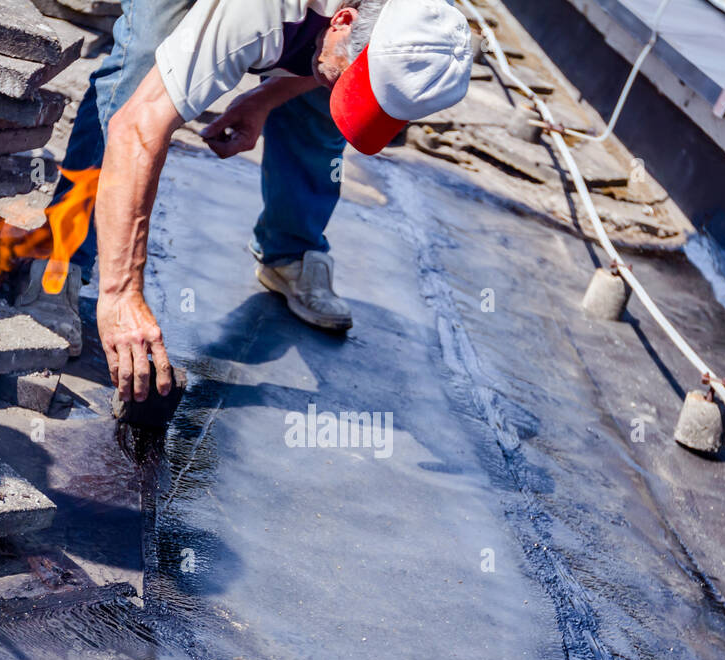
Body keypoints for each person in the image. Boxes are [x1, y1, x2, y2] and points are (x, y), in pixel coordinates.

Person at [66, 0, 471, 401]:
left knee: (326, 87)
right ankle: (58, 258)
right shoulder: (263, 10)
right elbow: (136, 127)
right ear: (342, 20)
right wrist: (122, 295)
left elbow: (347, 50)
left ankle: (288, 253)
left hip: (325, 23)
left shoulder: (423, 19)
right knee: (142, 70)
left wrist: (265, 97)